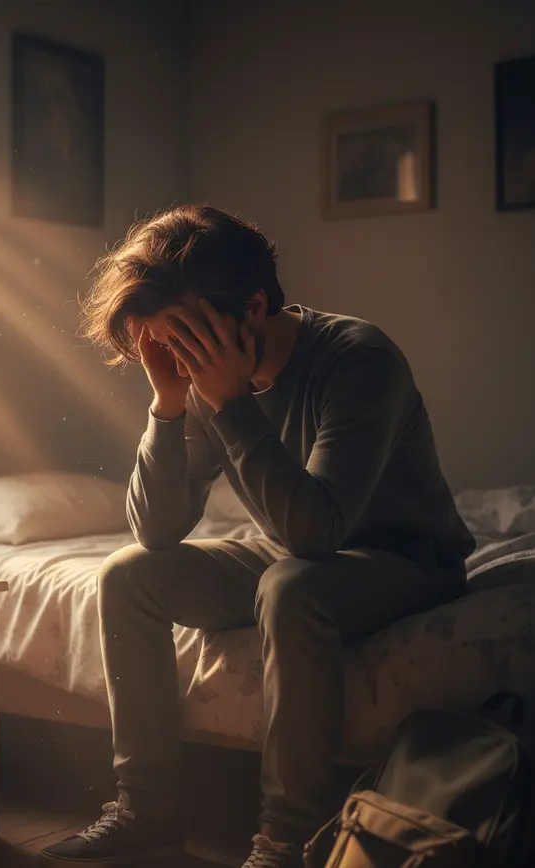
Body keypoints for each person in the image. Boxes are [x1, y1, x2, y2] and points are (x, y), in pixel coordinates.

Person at [40, 204, 475, 867]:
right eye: (162, 340)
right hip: (289, 545)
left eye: (184, 334)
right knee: (127, 574)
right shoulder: (197, 378)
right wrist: (167, 405)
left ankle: (285, 838)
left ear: (253, 306)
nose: (175, 354)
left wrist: (233, 405)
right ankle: (145, 809)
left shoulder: (360, 360)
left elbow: (315, 531)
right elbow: (156, 530)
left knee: (291, 586)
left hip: (404, 555)